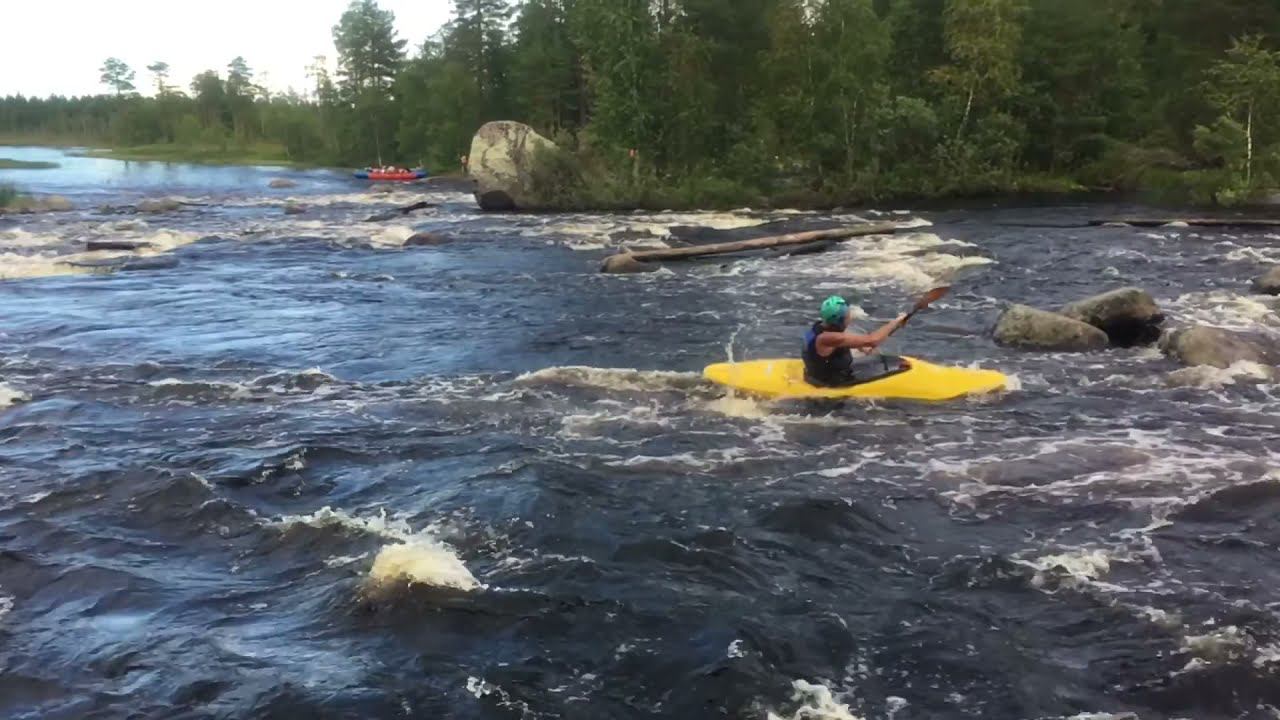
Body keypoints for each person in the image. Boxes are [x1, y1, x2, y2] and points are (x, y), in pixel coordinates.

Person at [802, 295, 908, 387]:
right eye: (848, 316)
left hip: (817, 375)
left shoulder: (823, 326)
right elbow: (873, 340)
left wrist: (861, 347)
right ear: (839, 321)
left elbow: (842, 340)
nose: (851, 318)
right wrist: (896, 322)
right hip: (830, 383)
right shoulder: (828, 338)